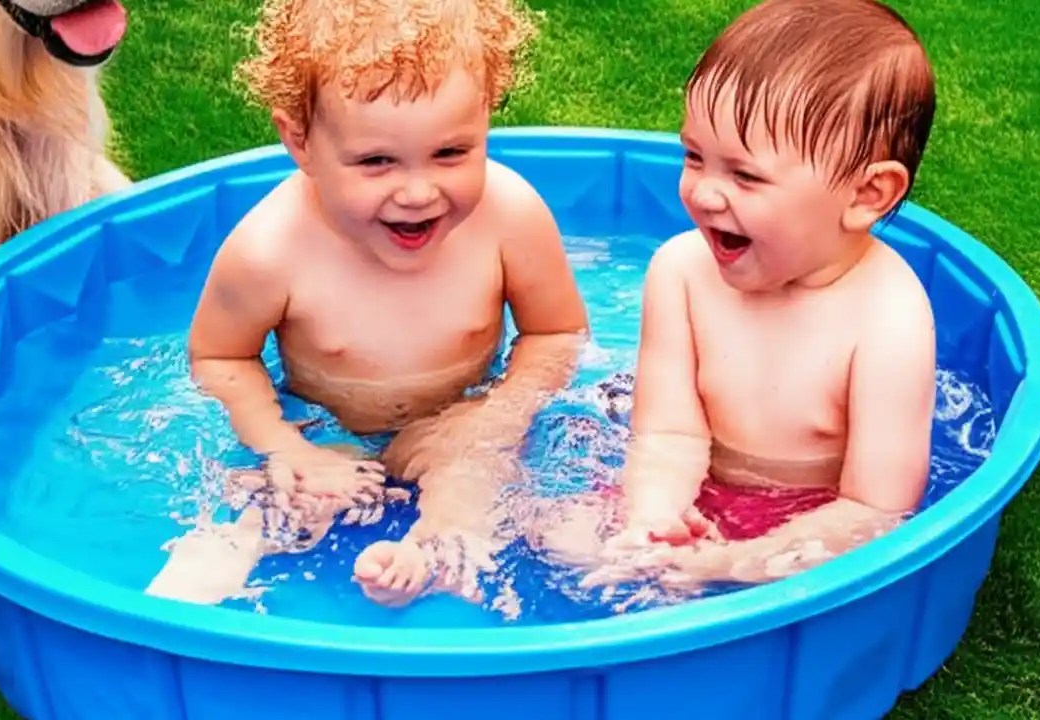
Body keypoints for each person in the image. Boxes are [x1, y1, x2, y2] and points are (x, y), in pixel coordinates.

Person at [147, 0, 590, 607]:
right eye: (377, 161)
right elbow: (221, 359)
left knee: (477, 476)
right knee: (285, 493)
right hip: (325, 431)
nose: (417, 191)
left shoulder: (510, 216)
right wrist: (287, 447)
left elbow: (556, 333)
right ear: (299, 142)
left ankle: (433, 554)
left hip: (459, 421)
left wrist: (500, 413)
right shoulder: (270, 250)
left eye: (451, 153)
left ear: (485, 121)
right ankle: (229, 549)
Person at [532, 0, 938, 591]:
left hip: (805, 517)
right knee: (555, 533)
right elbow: (669, 433)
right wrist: (653, 520)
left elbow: (874, 511)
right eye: (695, 157)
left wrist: (733, 563)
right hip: (694, 486)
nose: (705, 194)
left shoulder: (888, 321)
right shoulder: (681, 272)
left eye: (745, 176)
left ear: (866, 194)